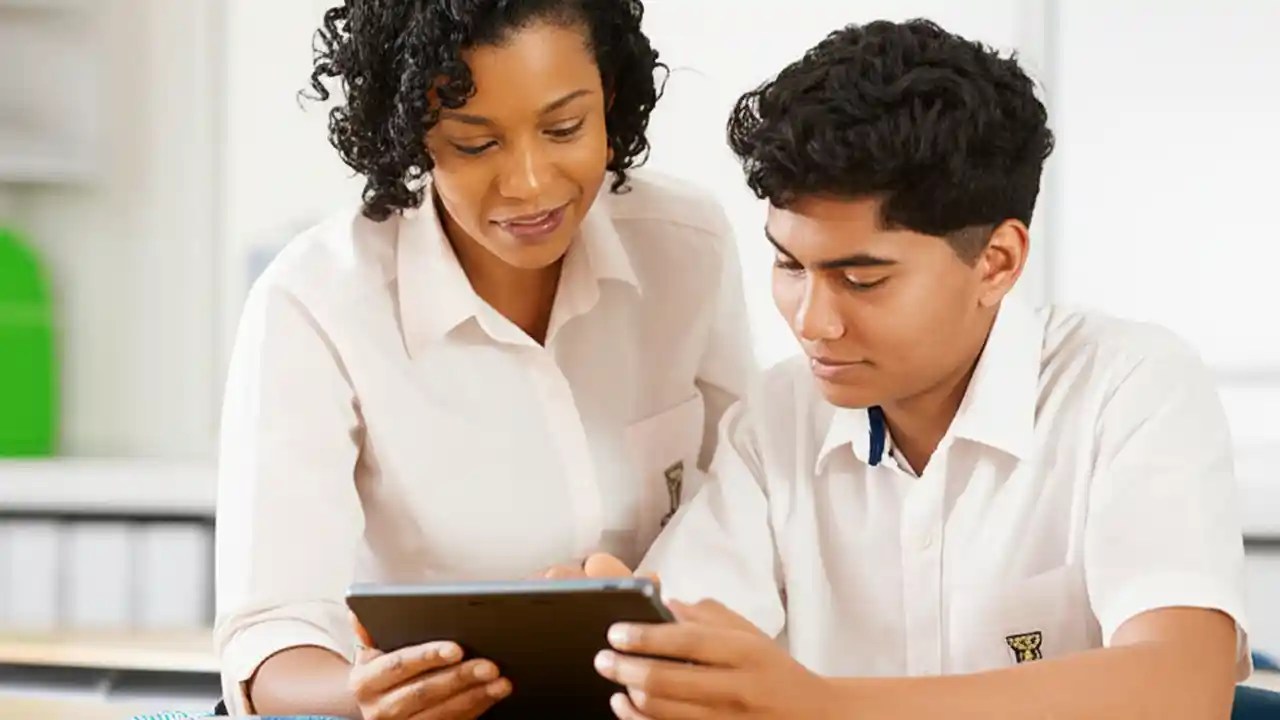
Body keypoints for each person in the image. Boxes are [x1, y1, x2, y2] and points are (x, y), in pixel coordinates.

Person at [585, 19, 1250, 719]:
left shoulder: (1130, 387)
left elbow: (1183, 687)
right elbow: (689, 657)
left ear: (997, 263)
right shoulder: (779, 417)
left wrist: (819, 705)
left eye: (862, 280)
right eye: (788, 264)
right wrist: (616, 646)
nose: (813, 320)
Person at [212, 1, 753, 717]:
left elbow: (751, 518)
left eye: (565, 129)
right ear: (413, 135)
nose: (529, 184)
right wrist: (366, 694)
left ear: (611, 99)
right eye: (474, 145)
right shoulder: (317, 300)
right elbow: (270, 637)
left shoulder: (687, 246)